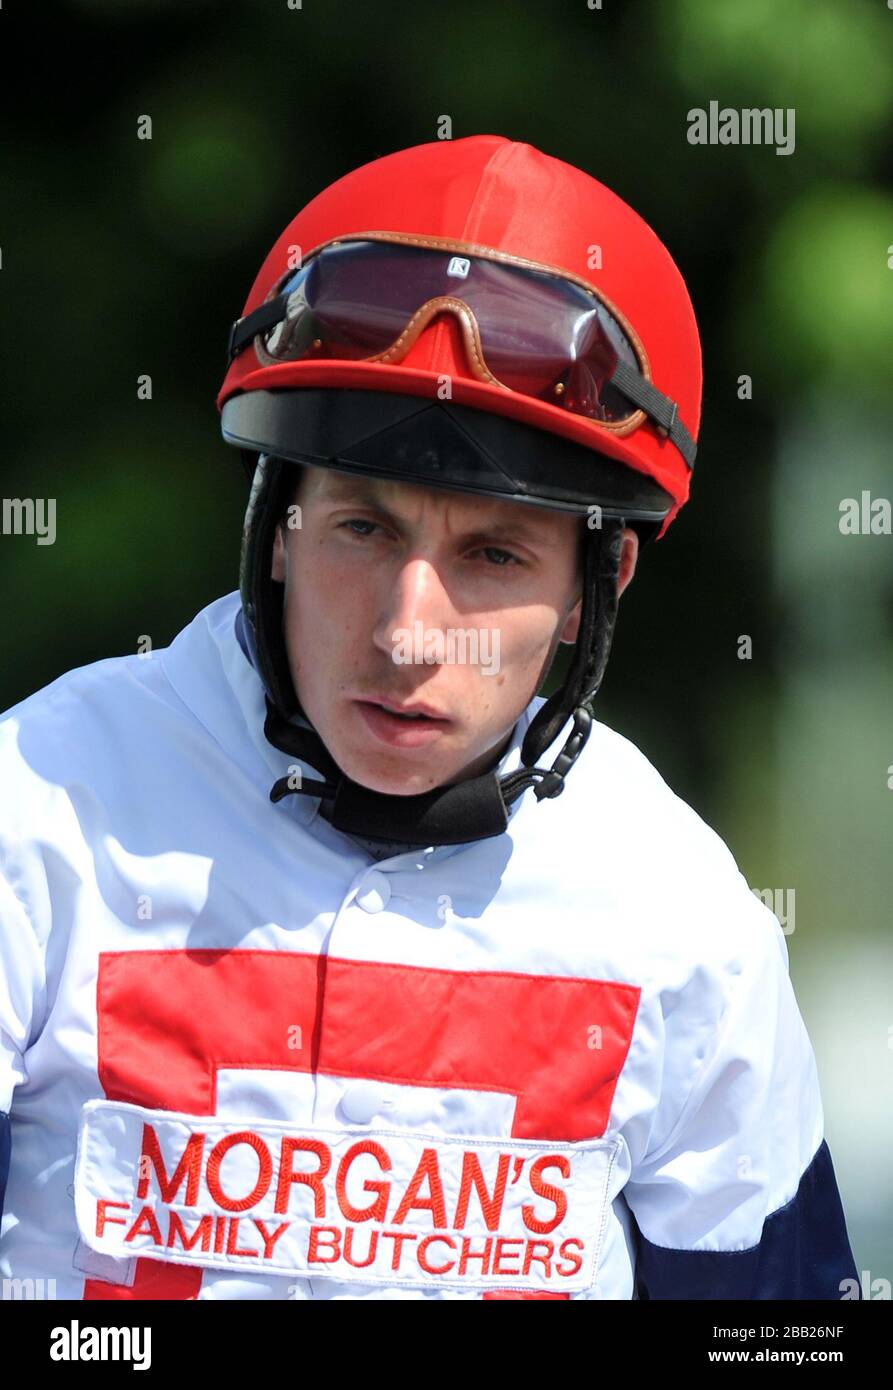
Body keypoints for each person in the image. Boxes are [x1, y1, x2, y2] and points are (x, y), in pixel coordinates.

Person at [0, 135, 858, 1301]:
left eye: (492, 553)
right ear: (279, 525)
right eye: (363, 528)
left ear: (592, 591)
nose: (410, 632)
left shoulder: (686, 924)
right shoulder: (42, 803)